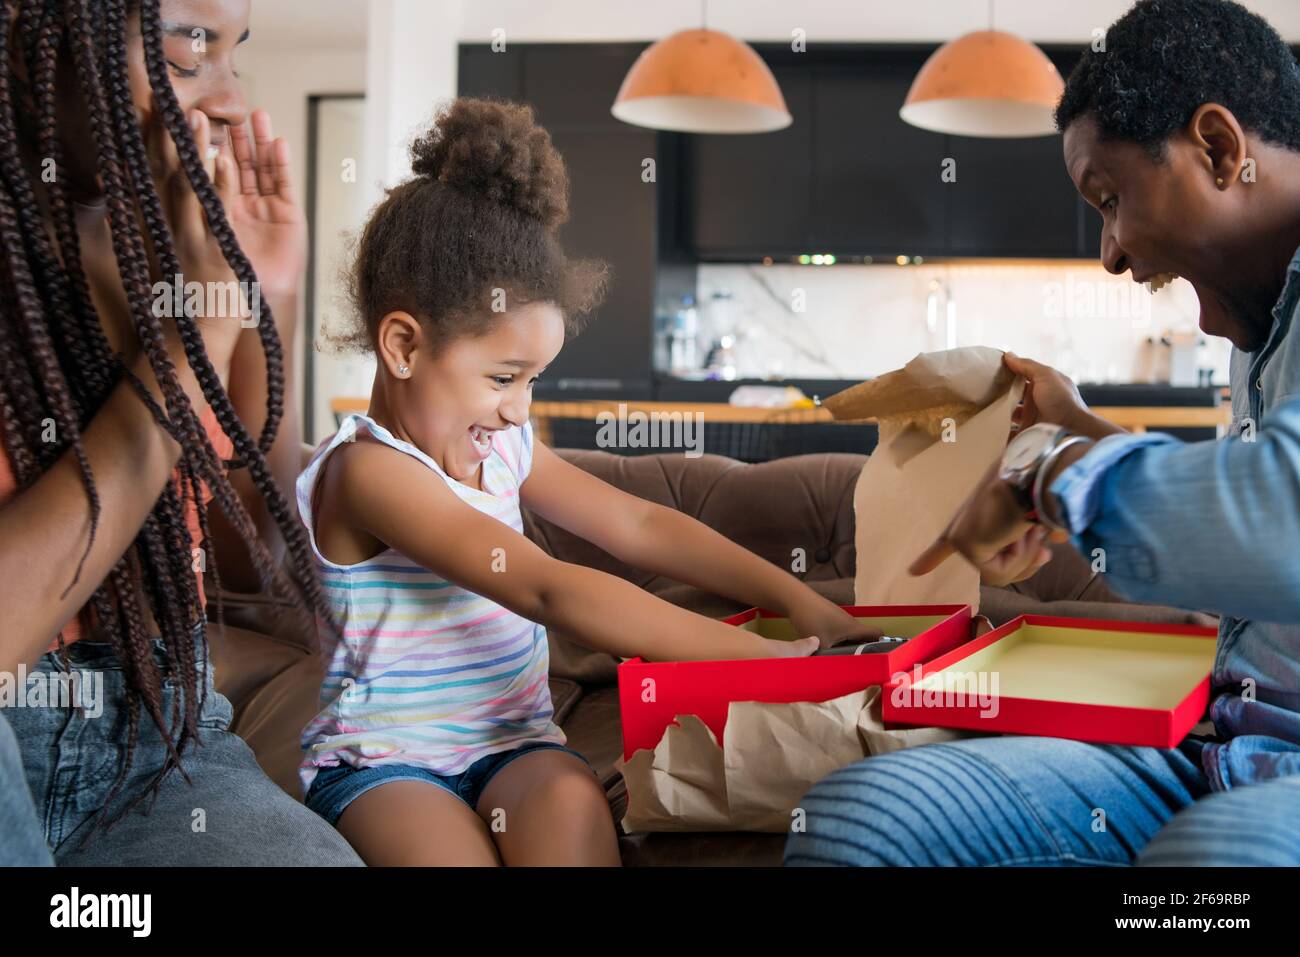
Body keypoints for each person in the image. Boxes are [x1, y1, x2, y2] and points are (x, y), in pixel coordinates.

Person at [296, 97, 878, 866]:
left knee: (571, 807)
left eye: (534, 379)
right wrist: (759, 664)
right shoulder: (367, 471)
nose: (519, 409)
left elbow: (642, 526)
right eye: (504, 376)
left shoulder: (505, 449)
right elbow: (546, 589)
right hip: (385, 763)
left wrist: (804, 602)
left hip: (516, 746)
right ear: (403, 345)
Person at [785, 0, 1300, 867]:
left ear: (1218, 149)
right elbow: (1242, 502)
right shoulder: (1261, 331)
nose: (1109, 253)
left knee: (1212, 867)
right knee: (855, 821)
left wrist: (1045, 469)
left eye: (1110, 200)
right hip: (1212, 747)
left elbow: (1282, 519)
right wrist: (1072, 423)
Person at [0, 0, 360, 865]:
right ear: (29, 47)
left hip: (158, 734)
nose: (231, 100)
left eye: (236, 55)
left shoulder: (166, 256)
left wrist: (265, 297)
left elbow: (258, 548)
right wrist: (184, 352)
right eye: (188, 57)